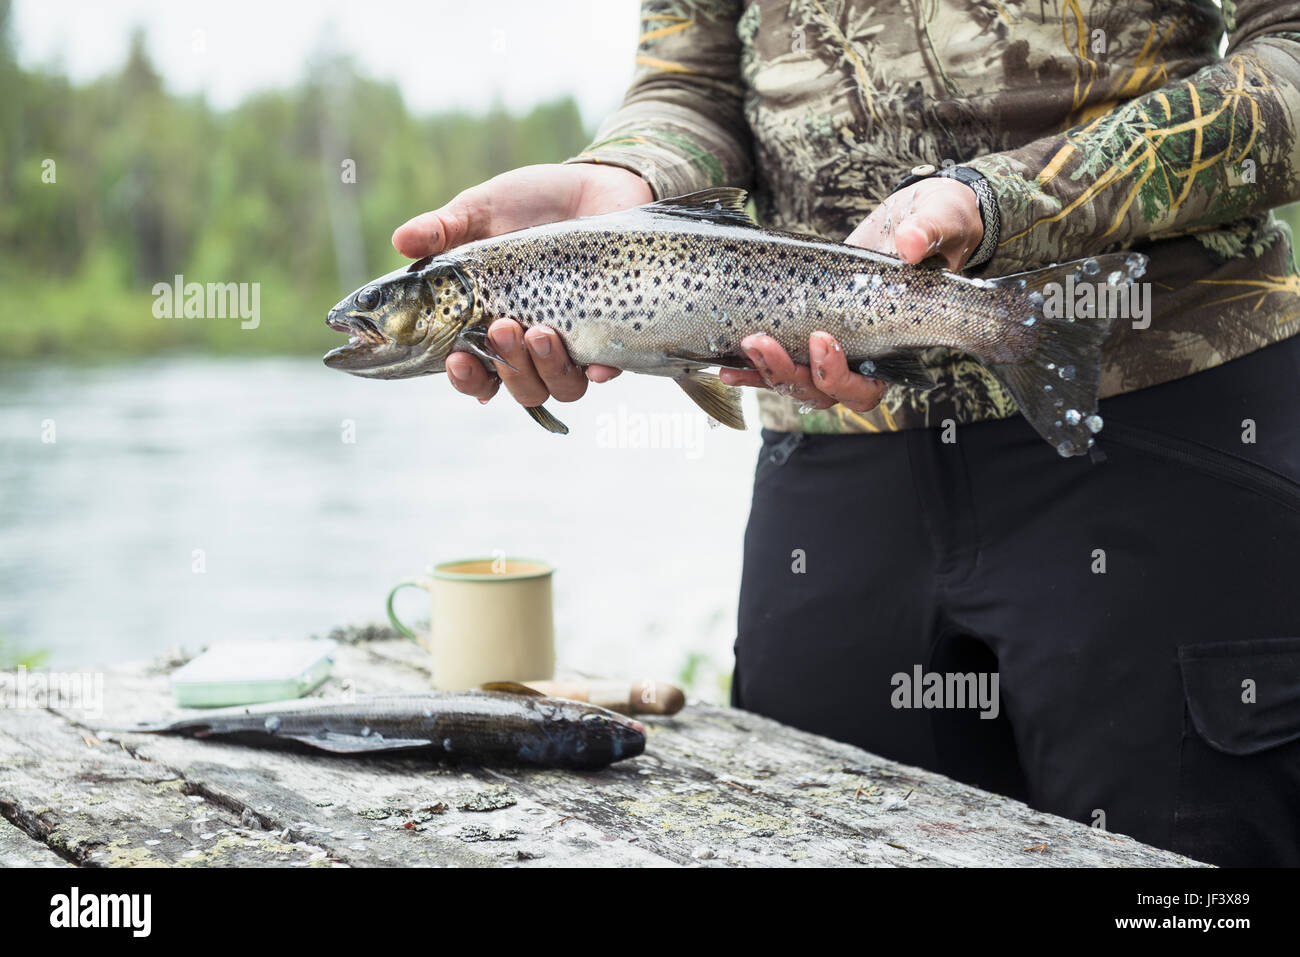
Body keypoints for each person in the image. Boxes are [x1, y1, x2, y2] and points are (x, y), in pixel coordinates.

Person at [391, 1, 1300, 867]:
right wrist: (631, 180)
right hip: (830, 460)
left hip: (1164, 407)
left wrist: (1001, 199)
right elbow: (695, 83)